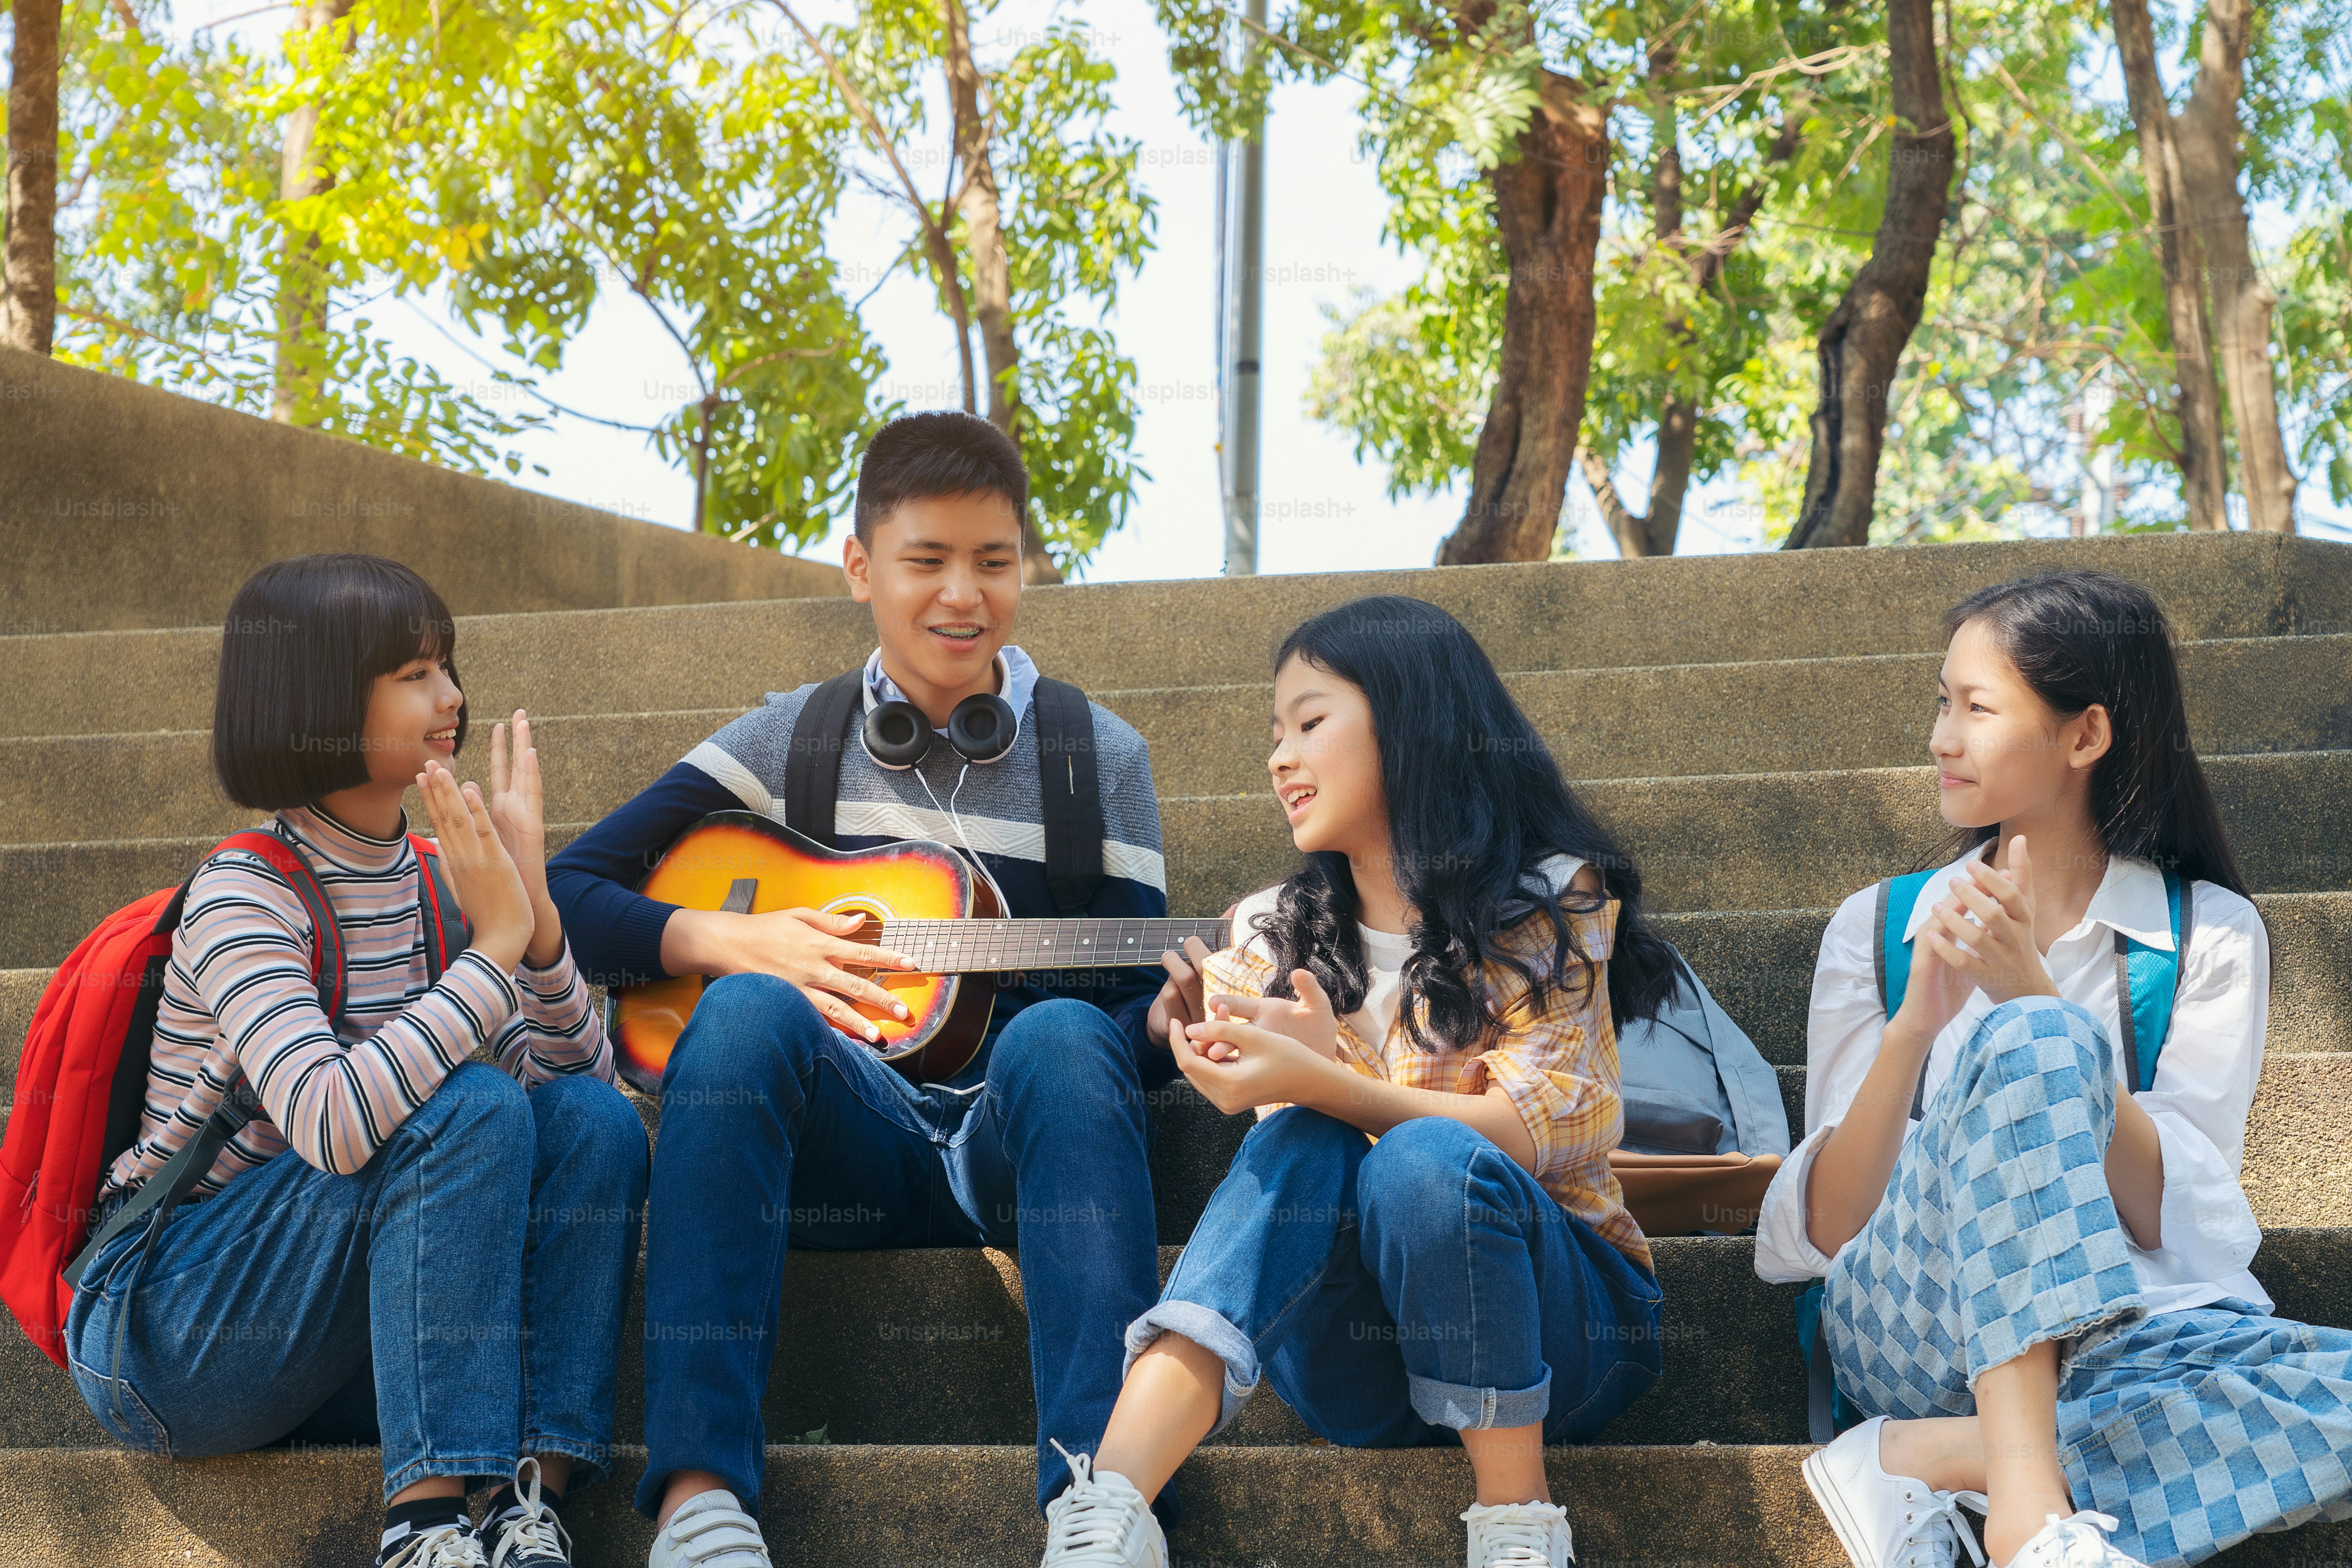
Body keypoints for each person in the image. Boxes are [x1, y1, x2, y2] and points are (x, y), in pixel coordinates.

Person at [543, 411, 1177, 1568]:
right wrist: (735, 942)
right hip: (841, 1142)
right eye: (926, 560)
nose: (962, 596)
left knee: (1068, 1037)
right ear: (859, 568)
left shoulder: (1100, 756)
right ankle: (698, 1504)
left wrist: (1167, 1027)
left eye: (994, 562)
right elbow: (568, 891)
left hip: (1011, 1139)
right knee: (741, 1011)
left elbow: (1136, 1010)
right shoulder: (798, 738)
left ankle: (1103, 1494)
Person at [1032, 594, 1683, 1568]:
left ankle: (1518, 1527)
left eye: (1309, 722)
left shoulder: (1549, 897)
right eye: (1274, 733)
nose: (1278, 757)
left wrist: (1331, 1075)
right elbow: (1291, 1152)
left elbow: (1541, 1127)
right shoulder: (1266, 929)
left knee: (1425, 1156)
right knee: (1303, 1138)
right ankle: (1109, 1505)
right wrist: (1224, 1052)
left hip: (1567, 1334)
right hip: (1358, 1368)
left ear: (1407, 719)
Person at [64, 553, 648, 1568]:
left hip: (359, 1337)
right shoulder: (245, 892)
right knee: (467, 1106)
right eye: (414, 673)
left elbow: (588, 1111)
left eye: (449, 666)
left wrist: (536, 916)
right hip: (178, 1330)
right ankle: (424, 1528)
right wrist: (493, 950)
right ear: (318, 697)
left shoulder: (442, 882)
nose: (453, 696)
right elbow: (329, 1124)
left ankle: (524, 1504)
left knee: (584, 1121)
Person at [1755, 569, 2344, 1568]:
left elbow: (2182, 1216)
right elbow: (1830, 1230)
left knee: (2041, 1033)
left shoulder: (2205, 934)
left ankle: (1929, 1458)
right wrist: (1915, 1028)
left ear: (2085, 735)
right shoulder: (1879, 927)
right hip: (1913, 1326)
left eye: (1975, 709)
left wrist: (2031, 991)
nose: (1941, 737)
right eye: (1941, 703)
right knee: (2038, 1040)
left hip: (2135, 1334)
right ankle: (2029, 1519)